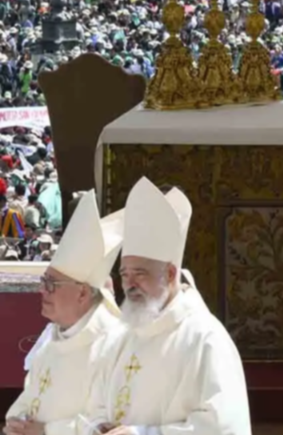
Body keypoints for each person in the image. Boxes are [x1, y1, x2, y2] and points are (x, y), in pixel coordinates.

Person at [94, 178, 250, 435]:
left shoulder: (205, 338)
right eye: (124, 274)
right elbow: (97, 403)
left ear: (169, 274)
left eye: (140, 273)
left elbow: (222, 426)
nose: (129, 285)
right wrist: (97, 426)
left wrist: (142, 434)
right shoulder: (124, 335)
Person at [5, 191, 124, 435]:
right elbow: (30, 397)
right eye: (43, 281)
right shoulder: (54, 338)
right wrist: (17, 421)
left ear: (82, 293)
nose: (42, 290)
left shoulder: (114, 346)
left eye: (52, 284)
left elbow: (113, 425)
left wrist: (47, 431)